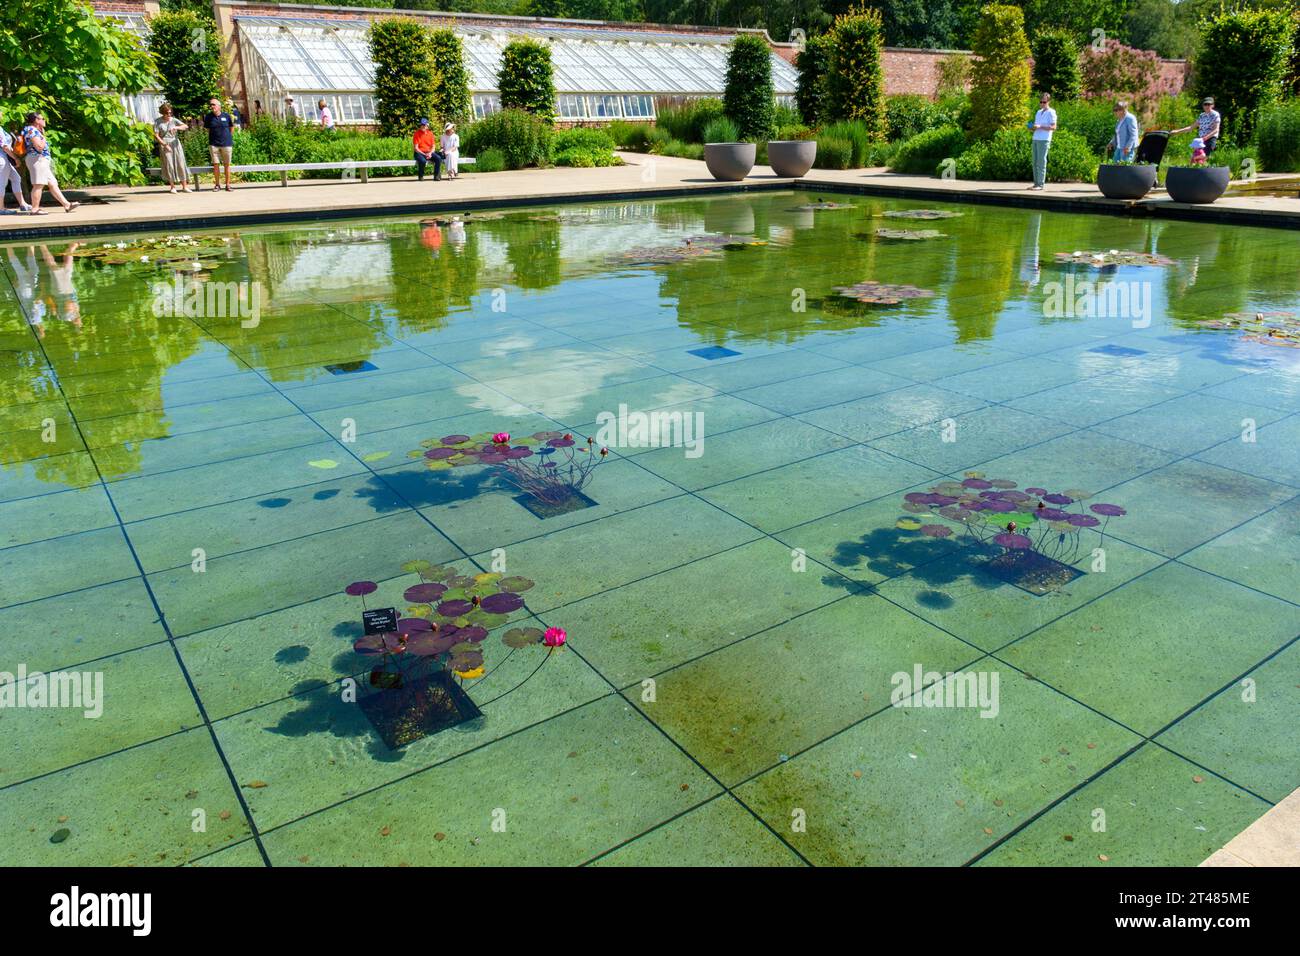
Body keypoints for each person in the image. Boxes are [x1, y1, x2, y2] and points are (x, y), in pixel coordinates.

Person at [20, 113, 79, 214]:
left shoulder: (34, 130)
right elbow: (39, 147)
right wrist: (43, 138)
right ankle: (35, 209)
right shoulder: (32, 130)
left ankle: (67, 205)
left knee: (53, 183)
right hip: (37, 159)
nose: (44, 120)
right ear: (36, 120)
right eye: (42, 118)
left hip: (41, 160)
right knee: (38, 184)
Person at [153, 103, 190, 193]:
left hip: (175, 143)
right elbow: (156, 136)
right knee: (169, 165)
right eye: (167, 113)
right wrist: (165, 145)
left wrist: (176, 127)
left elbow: (185, 126)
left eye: (170, 112)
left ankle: (184, 186)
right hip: (165, 144)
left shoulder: (173, 120)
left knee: (180, 163)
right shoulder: (158, 121)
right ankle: (172, 187)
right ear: (162, 113)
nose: (169, 114)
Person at [203, 97, 235, 192]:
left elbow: (231, 128)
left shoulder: (227, 116)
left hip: (227, 144)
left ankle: (228, 185)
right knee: (216, 165)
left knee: (227, 165)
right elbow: (207, 130)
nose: (212, 106)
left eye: (214, 104)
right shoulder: (208, 117)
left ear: (219, 106)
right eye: (211, 105)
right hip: (214, 144)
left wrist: (228, 137)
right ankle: (217, 185)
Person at [0, 126, 33, 213]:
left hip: (6, 158)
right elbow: (5, 147)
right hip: (2, 159)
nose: (1, 114)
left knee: (16, 179)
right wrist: (15, 158)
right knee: (2, 183)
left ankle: (23, 204)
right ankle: (1, 208)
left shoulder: (1, 128)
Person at [1028, 92, 1056, 190]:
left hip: (1044, 140)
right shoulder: (1038, 112)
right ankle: (1036, 184)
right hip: (1035, 138)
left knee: (1041, 162)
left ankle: (1040, 185)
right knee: (1035, 162)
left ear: (1048, 101)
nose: (1042, 104)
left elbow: (1053, 127)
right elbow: (1036, 125)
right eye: (1041, 102)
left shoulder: (1051, 112)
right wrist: (1032, 127)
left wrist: (1040, 126)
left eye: (1044, 102)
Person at [413, 117, 439, 182]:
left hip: (428, 152)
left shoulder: (430, 133)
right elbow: (416, 148)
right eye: (422, 125)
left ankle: (436, 175)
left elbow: (433, 146)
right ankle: (420, 176)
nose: (423, 126)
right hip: (419, 153)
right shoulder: (417, 134)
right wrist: (424, 154)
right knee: (423, 161)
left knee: (438, 158)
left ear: (427, 125)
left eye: (424, 125)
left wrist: (430, 153)